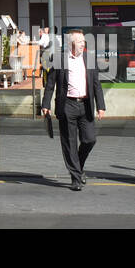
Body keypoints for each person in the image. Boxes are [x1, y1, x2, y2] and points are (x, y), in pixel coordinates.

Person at [41, 30, 106, 191]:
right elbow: (50, 84)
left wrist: (101, 106)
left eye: (84, 41)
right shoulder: (58, 59)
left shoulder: (89, 59)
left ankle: (78, 166)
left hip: (85, 105)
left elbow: (96, 83)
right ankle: (76, 178)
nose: (83, 44)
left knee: (89, 139)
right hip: (67, 105)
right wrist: (46, 104)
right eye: (80, 41)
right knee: (69, 143)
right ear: (71, 43)